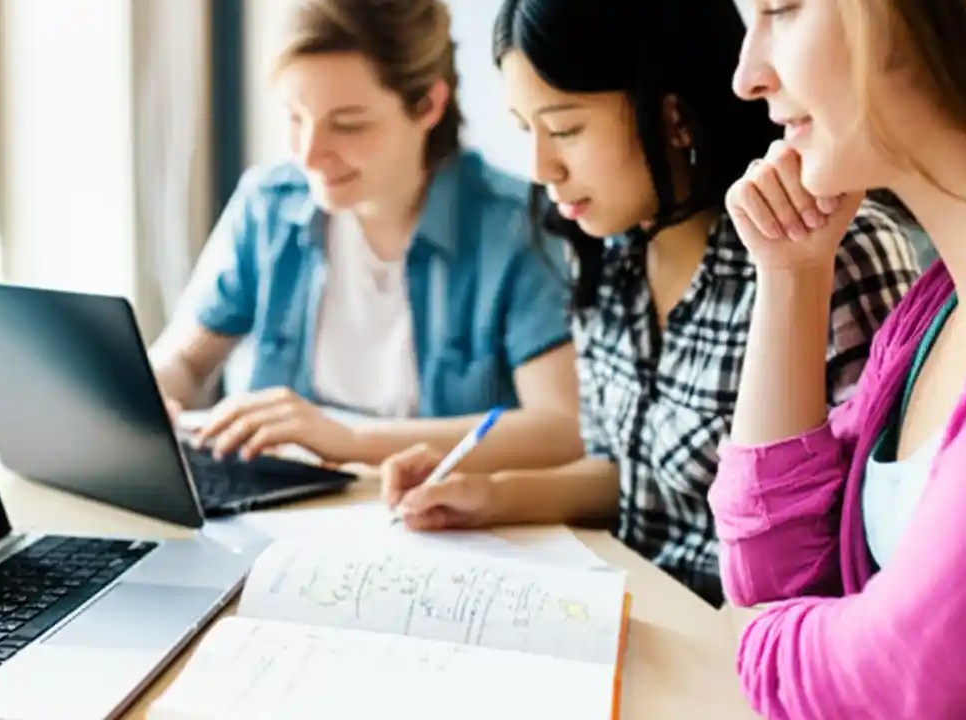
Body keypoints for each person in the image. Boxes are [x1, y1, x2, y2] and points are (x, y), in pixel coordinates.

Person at [381, 0, 921, 606]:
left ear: (674, 117)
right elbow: (628, 478)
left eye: (565, 130)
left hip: (751, 635)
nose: (541, 168)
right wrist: (487, 492)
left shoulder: (828, 249)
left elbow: (872, 532)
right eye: (525, 130)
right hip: (631, 608)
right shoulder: (609, 254)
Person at [150, 0, 583, 471]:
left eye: (347, 125)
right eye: (295, 117)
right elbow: (185, 361)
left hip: (425, 509)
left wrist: (350, 440)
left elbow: (561, 428)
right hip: (273, 506)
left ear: (428, 105)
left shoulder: (516, 226)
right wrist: (153, 395)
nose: (309, 155)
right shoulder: (268, 206)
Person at [710, 0, 966, 716]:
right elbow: (771, 567)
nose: (746, 76)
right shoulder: (932, 315)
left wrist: (755, 636)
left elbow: (898, 670)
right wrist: (792, 274)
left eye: (781, 10)